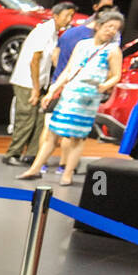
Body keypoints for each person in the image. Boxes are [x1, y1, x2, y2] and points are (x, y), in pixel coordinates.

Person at [20, 10, 125, 184]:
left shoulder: (113, 50)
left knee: (78, 137)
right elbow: (69, 70)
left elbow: (116, 75)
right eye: (109, 26)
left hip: (89, 97)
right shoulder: (82, 45)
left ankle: (67, 173)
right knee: (52, 133)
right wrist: (53, 90)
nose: (112, 31)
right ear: (98, 26)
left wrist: (105, 85)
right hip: (70, 93)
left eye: (116, 29)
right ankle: (35, 168)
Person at [3, 2, 76, 166]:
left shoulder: (54, 33)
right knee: (26, 118)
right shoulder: (43, 31)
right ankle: (12, 154)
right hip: (27, 82)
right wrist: (36, 89)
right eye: (67, 16)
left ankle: (31, 155)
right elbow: (34, 61)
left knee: (39, 118)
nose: (70, 19)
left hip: (39, 82)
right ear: (56, 16)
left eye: (71, 16)